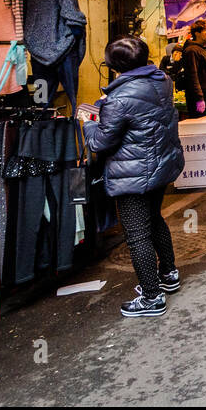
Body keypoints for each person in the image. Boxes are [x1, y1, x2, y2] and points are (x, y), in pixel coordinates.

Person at [83, 35, 185, 318]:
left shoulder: (119, 98)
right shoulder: (161, 80)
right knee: (155, 220)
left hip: (133, 174)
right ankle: (169, 273)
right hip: (161, 165)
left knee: (137, 235)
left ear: (113, 65)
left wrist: (87, 121)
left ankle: (152, 297)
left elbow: (100, 142)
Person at [179, 20, 206, 118]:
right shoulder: (191, 50)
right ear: (197, 33)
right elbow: (192, 76)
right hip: (199, 98)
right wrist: (199, 98)